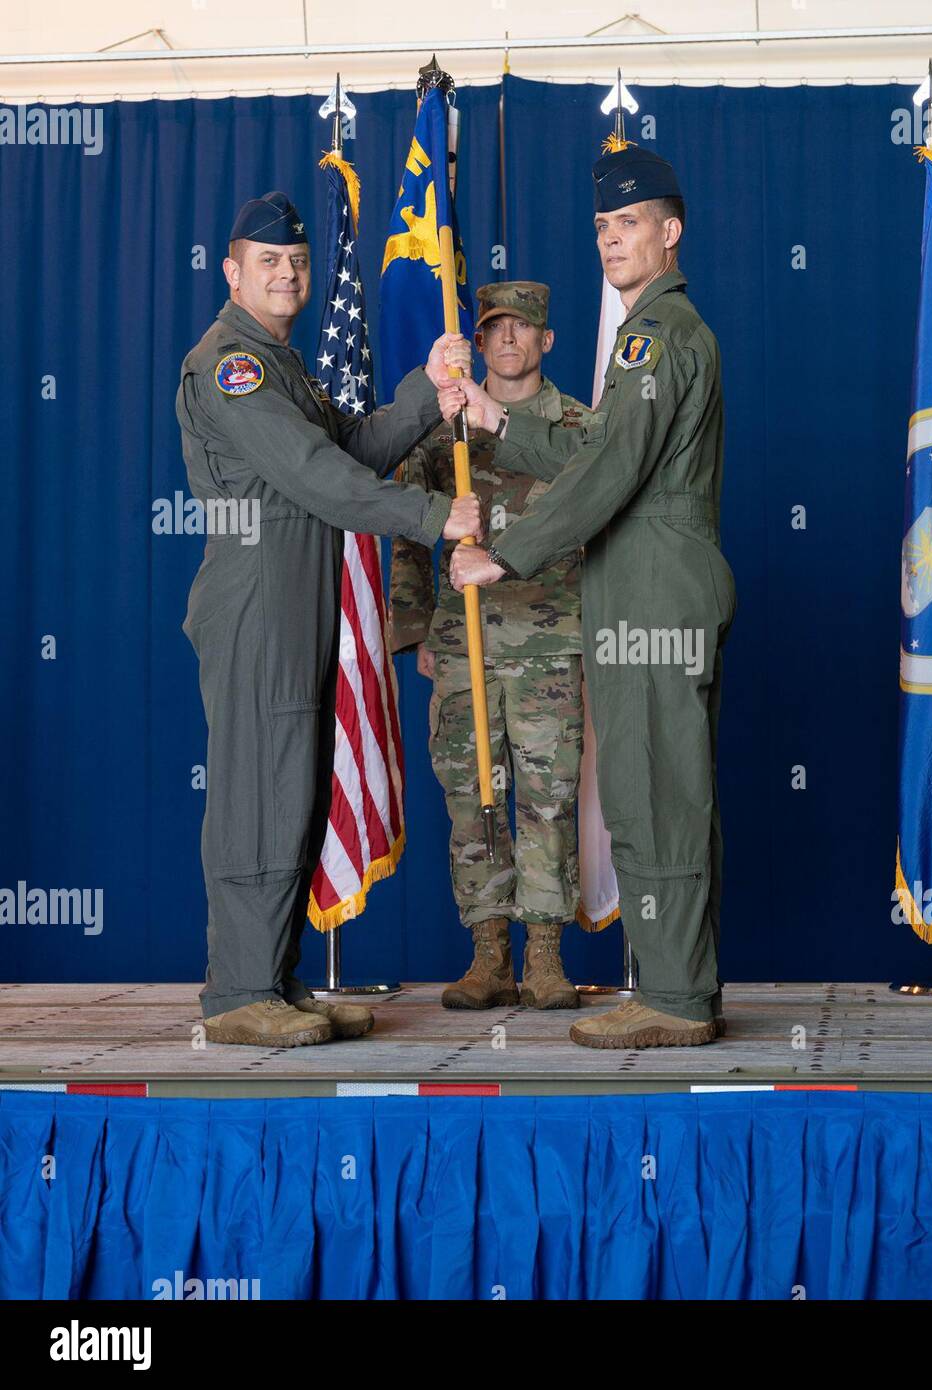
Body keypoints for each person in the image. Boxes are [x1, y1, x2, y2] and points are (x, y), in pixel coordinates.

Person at [432, 146, 735, 1049]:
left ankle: (676, 998)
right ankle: (677, 986)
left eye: (628, 223)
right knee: (647, 787)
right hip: (641, 583)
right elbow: (595, 451)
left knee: (657, 790)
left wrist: (506, 554)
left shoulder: (657, 335)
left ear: (669, 234)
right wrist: (499, 422)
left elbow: (608, 469)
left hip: (655, 586)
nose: (610, 240)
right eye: (601, 227)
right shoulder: (656, 332)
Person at [175, 190, 482, 1047]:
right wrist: (430, 518)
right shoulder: (231, 364)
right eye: (268, 262)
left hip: (296, 592)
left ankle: (273, 979)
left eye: (298, 264)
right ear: (233, 273)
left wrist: (430, 386)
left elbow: (352, 447)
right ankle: (238, 992)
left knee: (297, 787)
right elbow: (314, 474)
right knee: (256, 793)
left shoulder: (284, 363)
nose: (287, 275)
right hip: (257, 598)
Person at [389, 282, 592, 1009]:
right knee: (472, 798)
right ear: (478, 341)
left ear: (547, 340)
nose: (508, 340)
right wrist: (415, 629)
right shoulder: (445, 429)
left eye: (524, 327)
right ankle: (488, 955)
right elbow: (412, 529)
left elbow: (599, 524)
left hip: (549, 641)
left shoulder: (579, 426)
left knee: (548, 799)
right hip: (463, 637)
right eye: (495, 328)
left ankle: (543, 955)